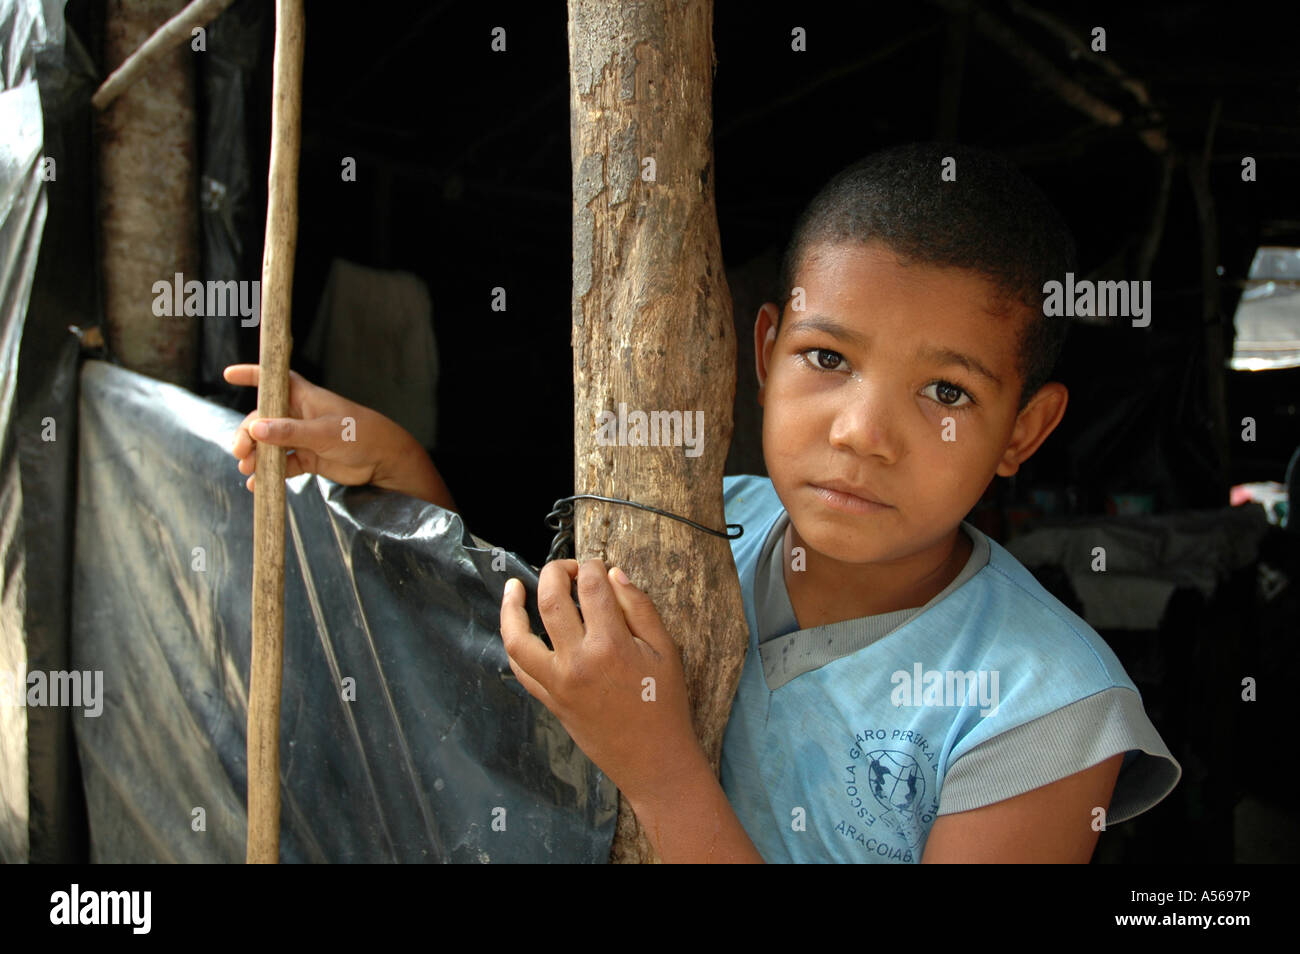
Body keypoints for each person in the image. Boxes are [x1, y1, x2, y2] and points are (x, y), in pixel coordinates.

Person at [226, 142, 1180, 863]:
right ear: (762, 354)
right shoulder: (699, 518)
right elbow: (515, 639)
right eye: (828, 358)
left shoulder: (1045, 712)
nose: (860, 432)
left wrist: (660, 770)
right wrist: (393, 460)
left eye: (947, 393)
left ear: (1024, 430)